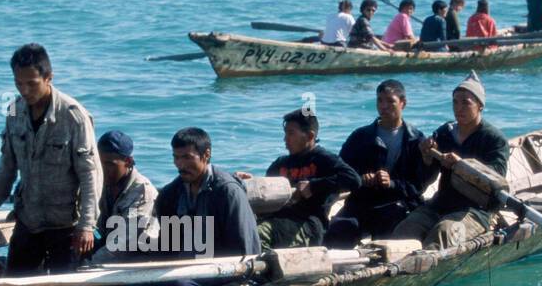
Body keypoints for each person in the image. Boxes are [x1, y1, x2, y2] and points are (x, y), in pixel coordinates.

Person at [0, 43, 103, 275]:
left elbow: (90, 175)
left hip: (65, 225)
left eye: (31, 83)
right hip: (28, 219)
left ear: (48, 77)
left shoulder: (73, 116)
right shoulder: (14, 111)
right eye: (18, 83)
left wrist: (87, 226)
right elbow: (7, 165)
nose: (24, 90)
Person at [390, 71, 510, 249]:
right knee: (404, 231)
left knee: (444, 232)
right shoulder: (445, 133)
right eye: (455, 102)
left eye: (466, 103)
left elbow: (497, 181)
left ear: (480, 106)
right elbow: (426, 179)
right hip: (441, 204)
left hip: (476, 210)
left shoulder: (494, 139)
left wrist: (462, 165)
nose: (458, 108)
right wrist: (426, 157)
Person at [325, 79, 435, 248]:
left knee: (390, 236)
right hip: (361, 202)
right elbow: (341, 173)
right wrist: (361, 179)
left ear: (403, 103)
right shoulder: (360, 137)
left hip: (397, 204)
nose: (384, 106)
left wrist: (391, 184)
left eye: (390, 101)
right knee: (337, 231)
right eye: (380, 100)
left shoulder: (415, 140)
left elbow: (419, 184)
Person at [235, 109, 359, 249]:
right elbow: (268, 193)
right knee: (237, 229)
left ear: (310, 135)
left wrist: (313, 186)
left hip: (307, 225)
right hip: (275, 219)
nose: (285, 138)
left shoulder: (323, 159)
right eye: (285, 133)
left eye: (291, 133)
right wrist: (252, 183)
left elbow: (353, 179)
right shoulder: (280, 163)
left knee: (258, 234)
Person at [154, 127, 261, 258]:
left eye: (187, 158)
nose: (180, 165)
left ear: (206, 155)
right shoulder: (169, 194)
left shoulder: (228, 192)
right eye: (176, 158)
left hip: (219, 270)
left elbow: (245, 248)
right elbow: (169, 247)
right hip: (181, 267)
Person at [93, 129, 157, 260]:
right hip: (109, 244)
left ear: (128, 162)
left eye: (109, 164)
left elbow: (126, 240)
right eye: (99, 163)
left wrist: (89, 263)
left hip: (137, 254)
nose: (102, 170)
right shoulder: (103, 184)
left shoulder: (141, 192)